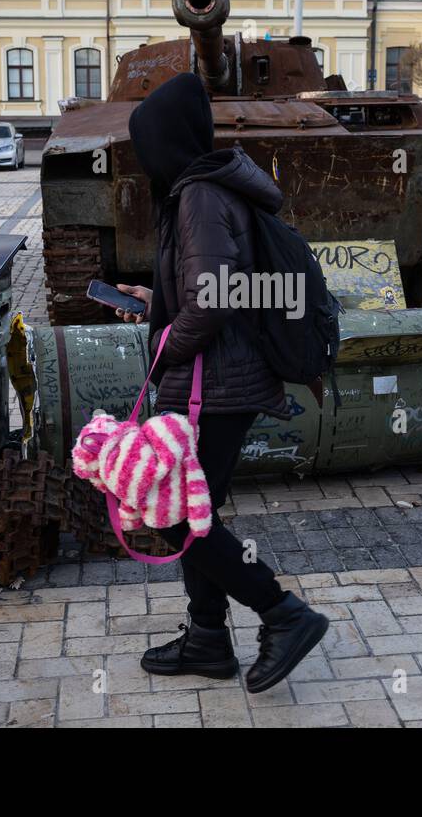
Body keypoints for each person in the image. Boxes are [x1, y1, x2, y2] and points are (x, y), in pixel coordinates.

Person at [115, 72, 329, 693]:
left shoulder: (200, 196)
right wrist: (157, 301)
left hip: (215, 384)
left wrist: (165, 341)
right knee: (195, 510)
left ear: (166, 141)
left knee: (175, 514)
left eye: (146, 144)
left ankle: (282, 613)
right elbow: (214, 287)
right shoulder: (210, 189)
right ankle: (208, 637)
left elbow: (210, 304)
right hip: (219, 379)